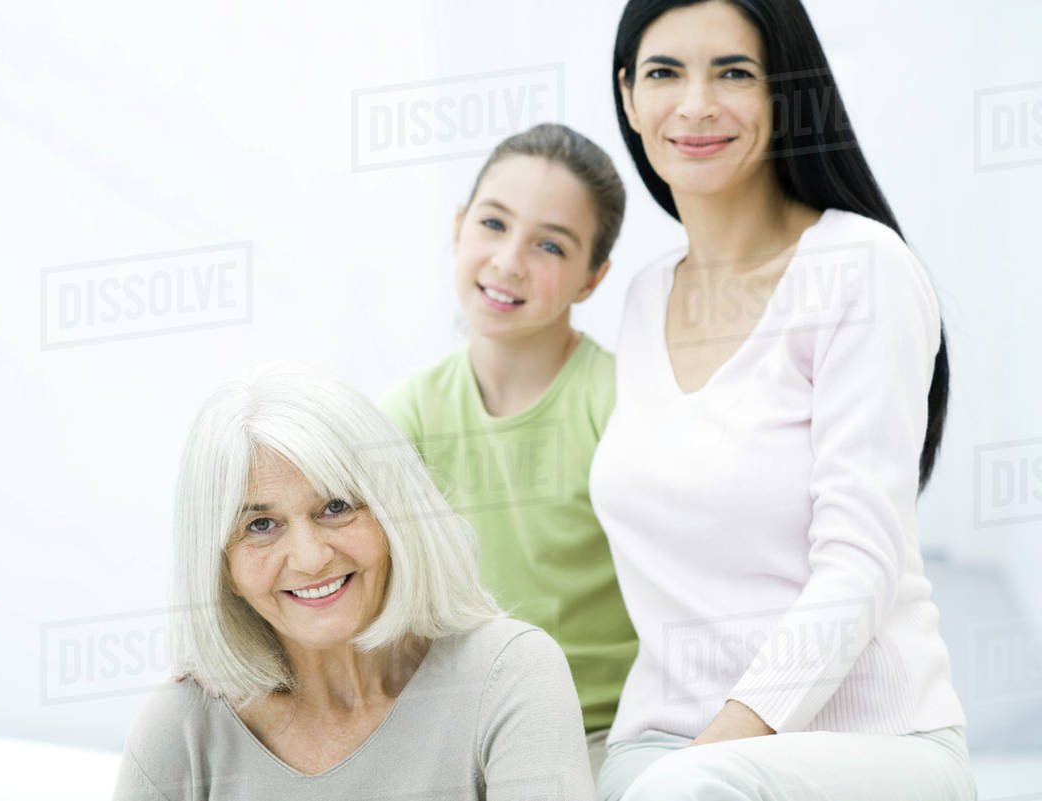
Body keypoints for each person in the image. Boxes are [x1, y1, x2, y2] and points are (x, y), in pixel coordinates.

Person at [591, 1, 977, 799]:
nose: (695, 102)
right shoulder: (642, 297)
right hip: (666, 744)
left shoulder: (860, 266)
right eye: (665, 72)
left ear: (784, 93)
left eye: (733, 72)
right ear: (629, 96)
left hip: (869, 744)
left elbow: (860, 563)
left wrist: (708, 757)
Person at [112, 362, 595, 800]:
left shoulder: (509, 674)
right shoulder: (183, 726)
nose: (310, 557)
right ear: (223, 568)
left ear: (395, 518)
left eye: (337, 507)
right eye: (260, 526)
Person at [381, 122, 639, 777]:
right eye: (494, 225)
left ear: (592, 277)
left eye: (550, 245)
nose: (509, 261)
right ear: (459, 226)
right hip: (466, 735)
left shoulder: (618, 403)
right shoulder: (411, 410)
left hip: (603, 734)